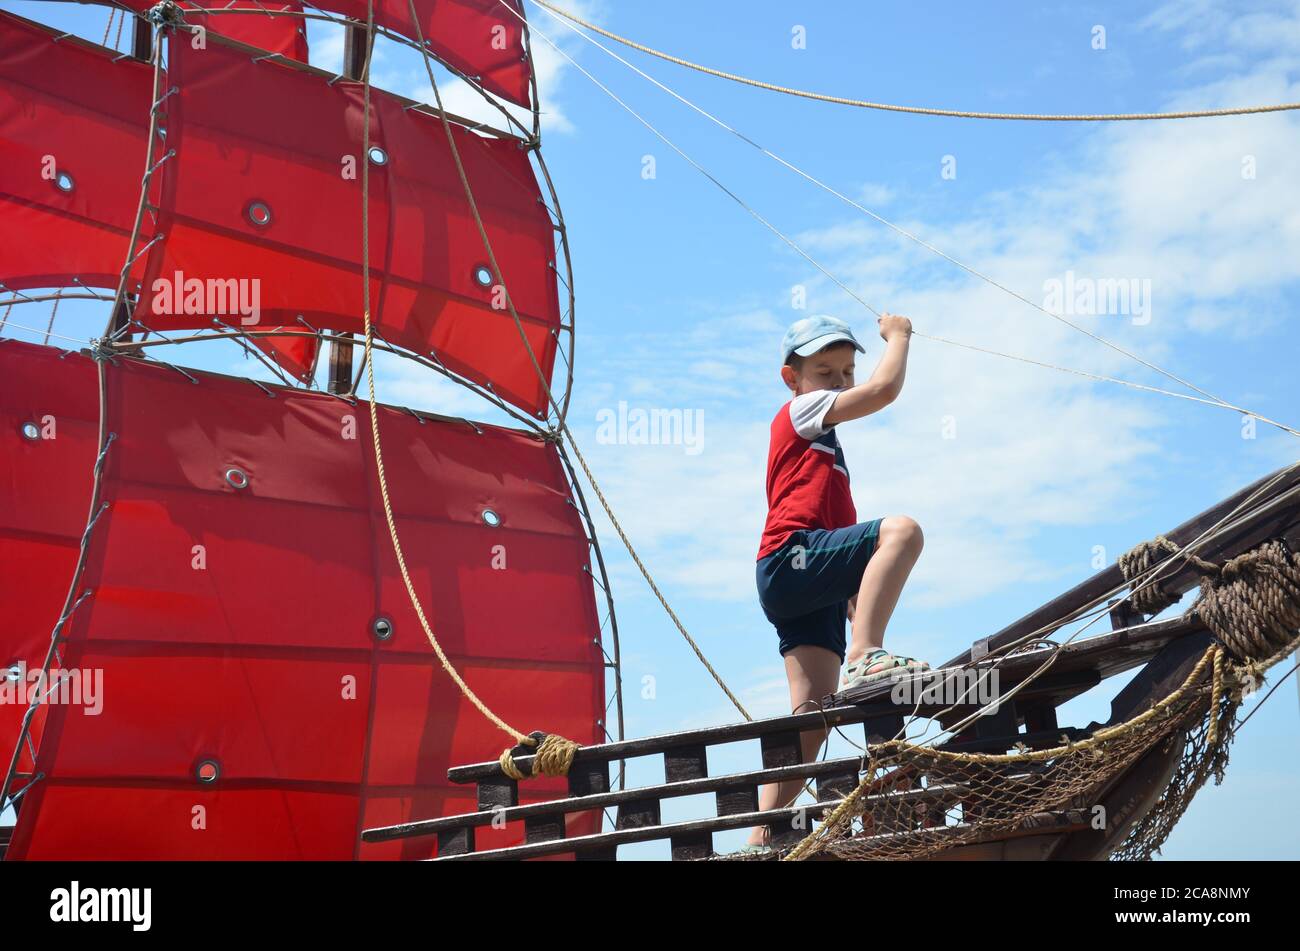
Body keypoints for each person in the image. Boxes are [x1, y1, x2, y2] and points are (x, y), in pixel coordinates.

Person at [743, 312, 929, 854]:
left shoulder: (826, 454)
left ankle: (756, 841)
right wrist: (899, 336)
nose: (840, 383)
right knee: (903, 531)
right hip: (789, 557)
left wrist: (852, 596)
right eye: (826, 371)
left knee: (813, 718)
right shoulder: (801, 412)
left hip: (798, 581)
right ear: (792, 378)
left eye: (847, 371)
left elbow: (843, 544)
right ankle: (867, 654)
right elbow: (885, 390)